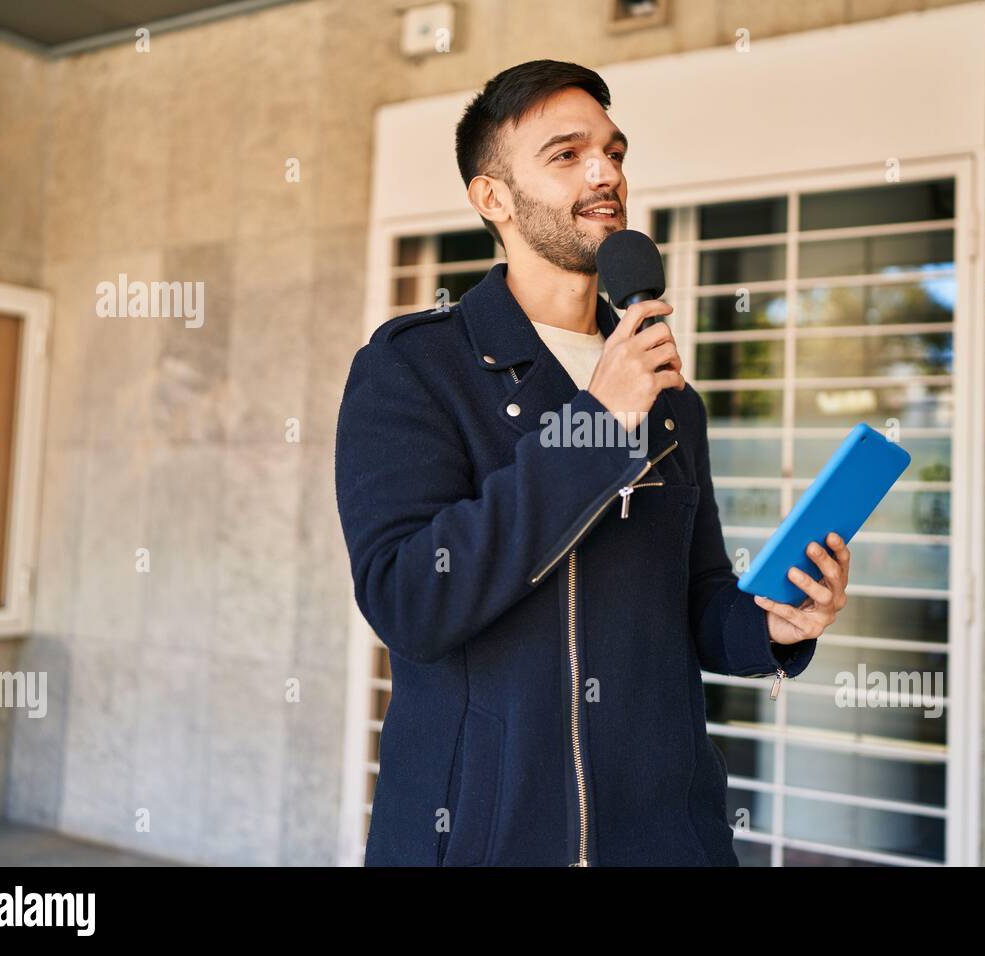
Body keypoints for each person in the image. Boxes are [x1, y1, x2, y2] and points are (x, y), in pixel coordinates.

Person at [335, 59, 850, 867]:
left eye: (613, 150)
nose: (606, 171)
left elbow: (697, 600)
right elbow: (410, 600)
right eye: (566, 154)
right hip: (478, 838)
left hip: (665, 840)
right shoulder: (415, 369)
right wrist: (597, 428)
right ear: (492, 198)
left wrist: (771, 626)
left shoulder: (669, 396)